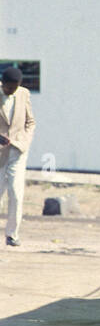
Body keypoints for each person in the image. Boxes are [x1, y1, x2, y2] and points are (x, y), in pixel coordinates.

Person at [0, 65, 36, 246]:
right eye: (8, 87)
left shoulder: (24, 94)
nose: (11, 90)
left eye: (14, 87)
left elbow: (31, 122)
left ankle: (12, 234)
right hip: (0, 153)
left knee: (15, 193)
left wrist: (25, 142)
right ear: (3, 83)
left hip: (17, 151)